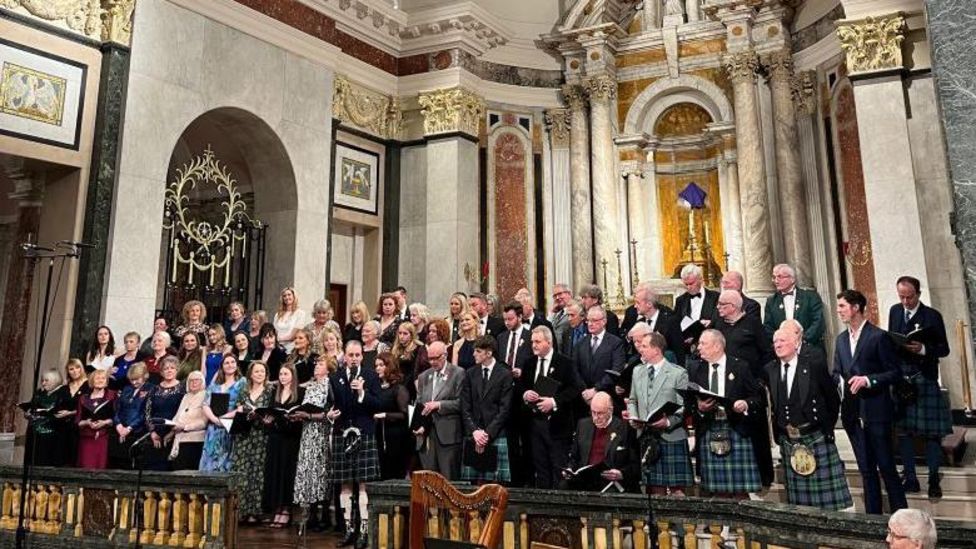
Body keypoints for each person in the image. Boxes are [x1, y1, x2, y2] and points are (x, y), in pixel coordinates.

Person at [833, 289, 907, 514]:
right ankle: (873, 520)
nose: (839, 312)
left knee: (886, 467)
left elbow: (895, 372)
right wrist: (836, 382)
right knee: (866, 470)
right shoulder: (841, 339)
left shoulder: (878, 336)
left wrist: (869, 380)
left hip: (876, 413)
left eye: (842, 307)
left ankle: (901, 517)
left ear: (856, 307)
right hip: (853, 414)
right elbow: (837, 371)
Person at [767, 327, 852, 511]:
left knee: (828, 505)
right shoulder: (771, 369)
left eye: (782, 340)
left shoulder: (813, 366)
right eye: (775, 342)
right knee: (799, 504)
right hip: (789, 439)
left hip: (814, 436)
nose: (778, 345)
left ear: (796, 343)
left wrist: (826, 429)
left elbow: (832, 398)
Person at [889, 276, 952, 499]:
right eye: (901, 297)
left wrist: (923, 349)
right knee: (904, 433)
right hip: (903, 380)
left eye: (909, 296)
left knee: (931, 434)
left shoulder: (932, 316)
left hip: (924, 378)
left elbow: (944, 349)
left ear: (918, 294)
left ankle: (934, 478)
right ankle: (911, 478)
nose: (905, 301)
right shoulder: (895, 312)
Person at [688, 329, 764, 498]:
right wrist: (699, 407)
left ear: (717, 346)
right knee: (716, 489)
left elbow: (757, 397)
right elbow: (689, 400)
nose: (698, 347)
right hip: (709, 428)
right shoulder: (695, 369)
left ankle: (741, 524)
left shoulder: (740, 366)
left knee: (740, 489)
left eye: (703, 344)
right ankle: (719, 525)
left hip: (736, 428)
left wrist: (745, 403)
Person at [714, 289, 775, 487]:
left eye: (722, 305)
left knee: (757, 430)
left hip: (749, 384)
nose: (718, 308)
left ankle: (765, 475)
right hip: (726, 385)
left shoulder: (753, 324)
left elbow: (767, 352)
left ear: (733, 307)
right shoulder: (718, 324)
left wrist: (761, 379)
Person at [625, 331, 693, 495]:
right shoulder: (637, 371)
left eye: (644, 346)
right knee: (654, 488)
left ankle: (678, 520)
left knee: (677, 489)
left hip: (671, 436)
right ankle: (656, 521)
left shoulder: (678, 373)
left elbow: (684, 405)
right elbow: (633, 400)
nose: (640, 349)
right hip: (647, 436)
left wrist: (668, 421)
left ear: (656, 350)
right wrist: (634, 417)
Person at [330, 340, 381, 548]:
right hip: (343, 433)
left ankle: (363, 531)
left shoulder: (370, 376)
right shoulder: (336, 378)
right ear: (344, 357)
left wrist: (361, 393)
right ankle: (349, 529)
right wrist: (329, 414)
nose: (353, 359)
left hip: (364, 434)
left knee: (362, 484)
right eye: (350, 355)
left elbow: (378, 405)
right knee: (345, 484)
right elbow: (333, 405)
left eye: (357, 355)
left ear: (362, 356)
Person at [520, 326, 582, 489]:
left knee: (557, 468)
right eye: (532, 341)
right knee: (540, 468)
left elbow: (575, 389)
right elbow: (521, 387)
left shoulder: (565, 363)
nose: (534, 345)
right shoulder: (529, 363)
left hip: (557, 426)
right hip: (534, 425)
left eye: (538, 342)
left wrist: (554, 402)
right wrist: (526, 394)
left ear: (549, 341)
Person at [460, 336, 513, 485]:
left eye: (478, 351)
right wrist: (475, 432)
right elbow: (465, 406)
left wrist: (487, 434)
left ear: (488, 353)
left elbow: (505, 409)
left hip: (495, 434)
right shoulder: (470, 373)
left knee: (494, 486)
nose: (474, 354)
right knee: (474, 485)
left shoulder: (504, 374)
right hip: (473, 434)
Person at [293, 355, 336, 533]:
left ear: (328, 368)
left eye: (320, 363)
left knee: (321, 472)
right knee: (308, 472)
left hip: (321, 434)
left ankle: (324, 516)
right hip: (307, 434)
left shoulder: (329, 384)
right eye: (316, 363)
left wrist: (310, 416)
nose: (316, 365)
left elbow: (330, 411)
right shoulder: (311, 386)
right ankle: (309, 515)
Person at [565, 392, 639, 492]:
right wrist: (570, 470)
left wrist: (622, 474)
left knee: (610, 493)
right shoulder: (583, 425)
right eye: (593, 412)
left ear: (610, 410)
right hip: (586, 480)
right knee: (563, 486)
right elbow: (574, 457)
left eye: (600, 413)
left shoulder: (624, 429)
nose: (595, 418)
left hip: (610, 482)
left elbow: (636, 464)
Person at [413, 341, 464, 480]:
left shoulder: (458, 373)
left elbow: (462, 404)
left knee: (448, 481)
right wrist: (419, 425)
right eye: (430, 358)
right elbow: (419, 404)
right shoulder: (424, 376)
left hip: (448, 435)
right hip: (427, 436)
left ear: (446, 355)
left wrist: (439, 405)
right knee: (430, 481)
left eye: (436, 358)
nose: (433, 362)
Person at [231, 360, 273, 524]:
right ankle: (241, 511)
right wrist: (244, 413)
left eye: (262, 372)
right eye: (256, 372)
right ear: (250, 374)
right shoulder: (243, 390)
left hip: (261, 435)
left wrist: (264, 417)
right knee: (242, 471)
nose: (259, 374)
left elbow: (271, 412)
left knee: (258, 472)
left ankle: (255, 512)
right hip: (244, 435)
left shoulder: (270, 391)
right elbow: (238, 408)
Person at [264, 363, 305, 528]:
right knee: (275, 473)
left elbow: (301, 415)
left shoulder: (300, 393)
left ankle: (286, 510)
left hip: (291, 439)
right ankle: (277, 509)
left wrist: (292, 418)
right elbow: (269, 413)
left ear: (293, 376)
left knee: (287, 474)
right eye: (280, 374)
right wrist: (267, 421)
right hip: (276, 437)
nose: (282, 377)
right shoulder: (275, 392)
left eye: (286, 374)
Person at [498, 301, 534, 486]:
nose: (507, 322)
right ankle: (511, 478)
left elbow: (536, 363)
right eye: (505, 319)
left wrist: (522, 372)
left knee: (526, 439)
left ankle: (526, 479)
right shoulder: (502, 337)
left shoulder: (530, 337)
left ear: (520, 317)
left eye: (511, 319)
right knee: (509, 438)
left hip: (523, 393)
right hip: (505, 394)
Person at [573, 306, 626, 411]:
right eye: (588, 320)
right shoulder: (580, 343)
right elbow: (574, 370)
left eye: (594, 320)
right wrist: (585, 391)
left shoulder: (615, 343)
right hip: (583, 400)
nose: (590, 324)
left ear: (604, 321)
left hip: (606, 397)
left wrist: (596, 389)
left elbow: (615, 371)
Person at [199, 354, 244, 472]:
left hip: (230, 427)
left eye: (232, 362)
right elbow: (205, 404)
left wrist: (224, 418)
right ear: (222, 367)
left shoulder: (242, 383)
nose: (230, 365)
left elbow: (242, 406)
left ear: (236, 365)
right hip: (213, 428)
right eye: (226, 363)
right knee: (210, 462)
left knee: (226, 463)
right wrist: (215, 419)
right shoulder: (215, 385)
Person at [763, 263, 826, 347]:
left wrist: (801, 341)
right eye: (774, 277)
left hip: (809, 348)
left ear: (792, 279)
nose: (776, 281)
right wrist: (782, 342)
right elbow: (768, 327)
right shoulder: (771, 301)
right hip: (783, 350)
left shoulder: (810, 297)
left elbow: (818, 322)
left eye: (780, 277)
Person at [372, 352, 410, 480]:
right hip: (379, 434)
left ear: (390, 366)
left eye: (381, 365)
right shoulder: (375, 388)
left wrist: (385, 415)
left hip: (396, 436)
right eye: (376, 365)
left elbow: (404, 414)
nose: (377, 368)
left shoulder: (398, 389)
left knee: (395, 471)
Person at [144, 357, 185, 470]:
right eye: (166, 368)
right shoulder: (154, 389)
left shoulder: (183, 389)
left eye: (172, 368)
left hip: (174, 433)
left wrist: (172, 432)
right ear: (161, 372)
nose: (169, 370)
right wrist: (152, 432)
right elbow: (147, 412)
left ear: (177, 370)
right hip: (155, 434)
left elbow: (184, 413)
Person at [110, 363, 153, 469]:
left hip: (137, 432)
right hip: (120, 432)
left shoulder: (152, 389)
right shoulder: (126, 389)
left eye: (137, 379)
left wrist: (129, 428)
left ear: (145, 376)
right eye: (131, 379)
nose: (134, 382)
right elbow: (117, 409)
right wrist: (118, 425)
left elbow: (145, 413)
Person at [630, 282, 685, 364]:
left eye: (638, 303)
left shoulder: (670, 322)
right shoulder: (639, 323)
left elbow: (679, 352)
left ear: (649, 304)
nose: (635, 306)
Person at [23, 369, 69, 466]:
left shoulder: (63, 392)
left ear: (55, 380)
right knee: (31, 461)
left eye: (46, 380)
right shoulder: (39, 393)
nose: (43, 383)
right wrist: (27, 414)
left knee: (46, 462)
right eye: (42, 380)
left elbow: (63, 411)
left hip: (51, 434)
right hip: (34, 433)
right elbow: (31, 407)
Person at [76, 369, 116, 469]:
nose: (100, 380)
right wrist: (87, 422)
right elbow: (77, 421)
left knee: (100, 468)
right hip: (86, 439)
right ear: (91, 381)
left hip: (103, 438)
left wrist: (105, 422)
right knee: (85, 467)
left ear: (106, 382)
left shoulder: (112, 396)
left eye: (103, 378)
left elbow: (116, 417)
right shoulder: (83, 398)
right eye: (97, 378)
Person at [169, 370, 208, 470]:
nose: (193, 382)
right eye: (191, 380)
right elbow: (178, 415)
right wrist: (171, 430)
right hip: (179, 439)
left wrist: (185, 427)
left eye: (197, 380)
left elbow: (204, 422)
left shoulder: (206, 395)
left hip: (195, 440)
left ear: (202, 382)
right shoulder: (186, 396)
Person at [674, 264, 719, 346]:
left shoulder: (715, 297)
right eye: (686, 284)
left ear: (700, 280)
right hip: (687, 347)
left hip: (710, 344)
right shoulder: (680, 301)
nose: (688, 287)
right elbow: (675, 325)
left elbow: (720, 321)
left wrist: (710, 323)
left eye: (691, 283)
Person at [56, 358, 90, 467]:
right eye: (71, 369)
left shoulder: (88, 386)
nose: (75, 371)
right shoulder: (64, 388)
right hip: (62, 427)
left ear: (82, 369)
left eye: (77, 368)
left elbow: (87, 408)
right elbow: (58, 405)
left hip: (78, 427)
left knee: (75, 458)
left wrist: (70, 413)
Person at [390, 322, 428, 401]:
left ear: (411, 335)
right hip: (396, 383)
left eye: (405, 334)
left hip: (411, 384)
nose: (401, 336)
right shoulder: (395, 349)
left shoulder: (418, 348)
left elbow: (415, 371)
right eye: (400, 333)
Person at [274, 287, 308, 353]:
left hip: (291, 349)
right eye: (284, 296)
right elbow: (275, 332)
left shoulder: (300, 313)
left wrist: (277, 339)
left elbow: (293, 336)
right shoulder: (277, 314)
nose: (287, 297)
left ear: (294, 296)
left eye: (289, 295)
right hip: (277, 348)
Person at [548, 283, 573, 349]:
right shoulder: (556, 314)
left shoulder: (574, 311)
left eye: (560, 294)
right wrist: (552, 312)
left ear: (569, 294)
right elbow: (547, 328)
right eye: (555, 296)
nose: (557, 298)